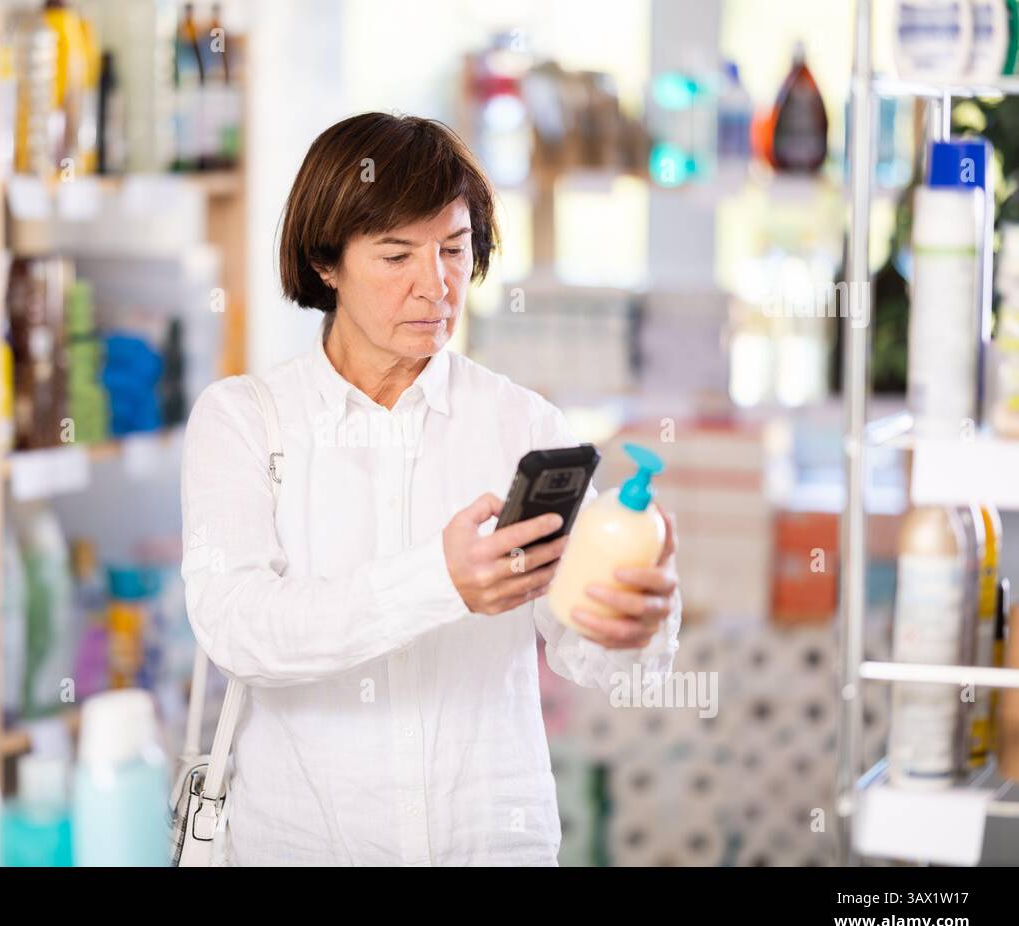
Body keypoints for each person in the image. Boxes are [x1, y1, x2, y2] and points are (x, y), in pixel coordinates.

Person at [180, 112, 681, 865]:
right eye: (396, 256)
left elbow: (587, 657)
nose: (435, 284)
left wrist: (635, 620)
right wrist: (440, 581)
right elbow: (239, 631)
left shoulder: (525, 424)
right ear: (326, 262)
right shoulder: (245, 422)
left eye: (454, 249)